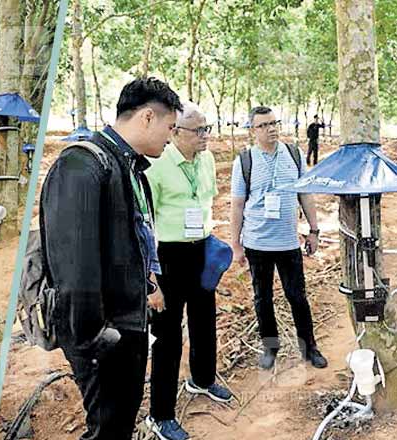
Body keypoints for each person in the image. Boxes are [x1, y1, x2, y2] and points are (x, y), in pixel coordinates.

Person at [40, 77, 182, 440]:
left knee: (119, 424)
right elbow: (74, 271)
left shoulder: (131, 170)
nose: (172, 137)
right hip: (102, 336)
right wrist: (98, 341)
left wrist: (147, 288)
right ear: (147, 117)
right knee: (106, 427)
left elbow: (135, 243)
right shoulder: (82, 166)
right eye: (170, 127)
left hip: (127, 326)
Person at [143, 103, 233, 440]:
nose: (205, 136)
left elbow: (207, 201)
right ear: (175, 133)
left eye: (207, 128)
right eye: (198, 131)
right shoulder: (155, 166)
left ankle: (202, 379)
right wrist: (151, 276)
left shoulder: (207, 159)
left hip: (203, 249)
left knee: (205, 319)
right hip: (168, 256)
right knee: (167, 336)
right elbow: (145, 223)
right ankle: (161, 414)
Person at [230, 106, 327, 370]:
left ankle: (310, 349)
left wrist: (314, 230)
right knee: (263, 298)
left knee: (297, 296)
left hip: (288, 242)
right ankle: (270, 347)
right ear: (253, 130)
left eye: (274, 123)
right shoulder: (245, 161)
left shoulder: (294, 155)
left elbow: (305, 195)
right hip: (257, 243)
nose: (271, 128)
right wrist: (236, 244)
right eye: (263, 125)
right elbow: (237, 205)